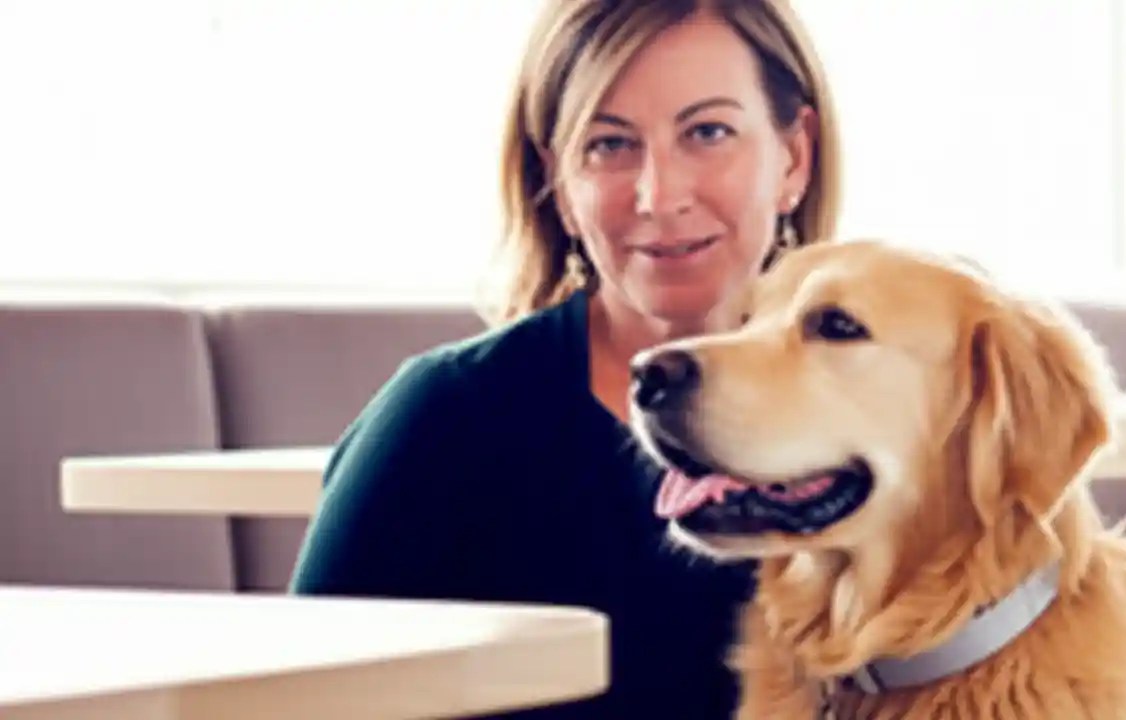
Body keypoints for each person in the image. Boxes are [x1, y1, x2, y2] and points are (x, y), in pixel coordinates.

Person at [289, 0, 843, 717]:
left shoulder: (892, 423)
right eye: (609, 145)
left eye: (708, 133)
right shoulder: (446, 420)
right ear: (560, 185)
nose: (659, 194)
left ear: (793, 157)